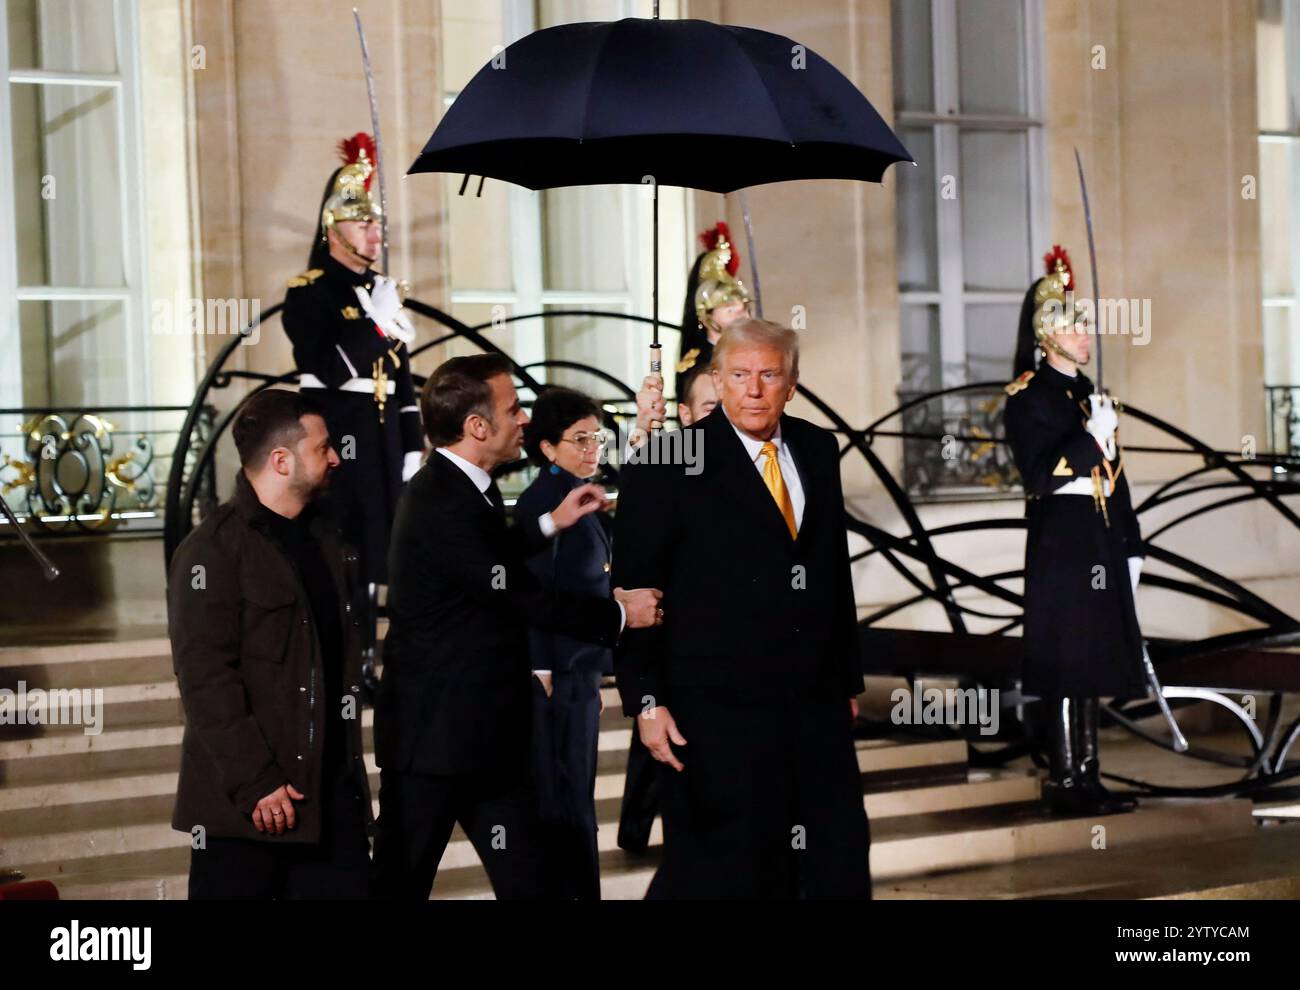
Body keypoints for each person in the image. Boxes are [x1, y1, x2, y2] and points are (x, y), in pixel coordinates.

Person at [372, 354, 663, 899]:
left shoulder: (462, 486)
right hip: (433, 745)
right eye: (513, 409)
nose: (525, 420)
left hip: (483, 740)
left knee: (534, 882)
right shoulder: (441, 499)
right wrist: (621, 615)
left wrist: (554, 521)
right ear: (478, 427)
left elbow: (490, 560)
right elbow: (517, 593)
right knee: (398, 886)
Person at [613, 319, 871, 899]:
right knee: (727, 865)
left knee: (836, 852)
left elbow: (833, 572)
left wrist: (845, 680)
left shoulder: (817, 447)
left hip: (814, 699)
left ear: (792, 383)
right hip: (713, 707)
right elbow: (635, 590)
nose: (754, 390)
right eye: (738, 375)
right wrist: (646, 700)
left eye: (769, 375)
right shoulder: (669, 459)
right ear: (717, 381)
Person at [169, 389, 375, 899]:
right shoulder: (211, 550)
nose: (336, 456)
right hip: (249, 814)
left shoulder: (330, 541)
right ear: (281, 460)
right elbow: (205, 678)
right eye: (323, 447)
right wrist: (255, 780)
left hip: (332, 804)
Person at [1003, 245, 1144, 816]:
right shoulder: (1028, 397)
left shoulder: (1087, 395)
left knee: (1092, 662)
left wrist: (1132, 543)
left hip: (1100, 535)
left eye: (1085, 325)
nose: (1085, 334)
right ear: (1047, 334)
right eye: (1074, 326)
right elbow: (1041, 475)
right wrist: (1092, 438)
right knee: (1066, 663)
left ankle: (1089, 775)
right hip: (1062, 540)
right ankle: (1063, 779)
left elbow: (1116, 478)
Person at [281, 133, 423, 642]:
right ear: (332, 227)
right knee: (348, 554)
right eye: (362, 223)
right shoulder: (311, 291)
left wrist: (411, 445)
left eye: (376, 222)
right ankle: (349, 655)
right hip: (342, 434)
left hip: (383, 439)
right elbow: (331, 367)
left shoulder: (377, 290)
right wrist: (378, 327)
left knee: (385, 551)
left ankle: (372, 653)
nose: (373, 232)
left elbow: (401, 381)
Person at [616, 359, 719, 853]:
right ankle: (636, 828)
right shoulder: (663, 463)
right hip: (667, 653)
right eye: (711, 408)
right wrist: (642, 427)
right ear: (685, 413)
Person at [515, 387, 615, 899]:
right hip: (559, 670)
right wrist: (541, 667)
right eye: (578, 440)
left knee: (577, 793)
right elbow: (533, 591)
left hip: (581, 666)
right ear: (547, 448)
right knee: (567, 795)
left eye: (595, 437)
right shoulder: (545, 501)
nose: (591, 448)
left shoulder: (580, 491)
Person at [674, 221, 752, 403]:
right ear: (706, 313)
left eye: (744, 304)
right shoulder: (695, 364)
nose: (740, 311)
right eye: (728, 306)